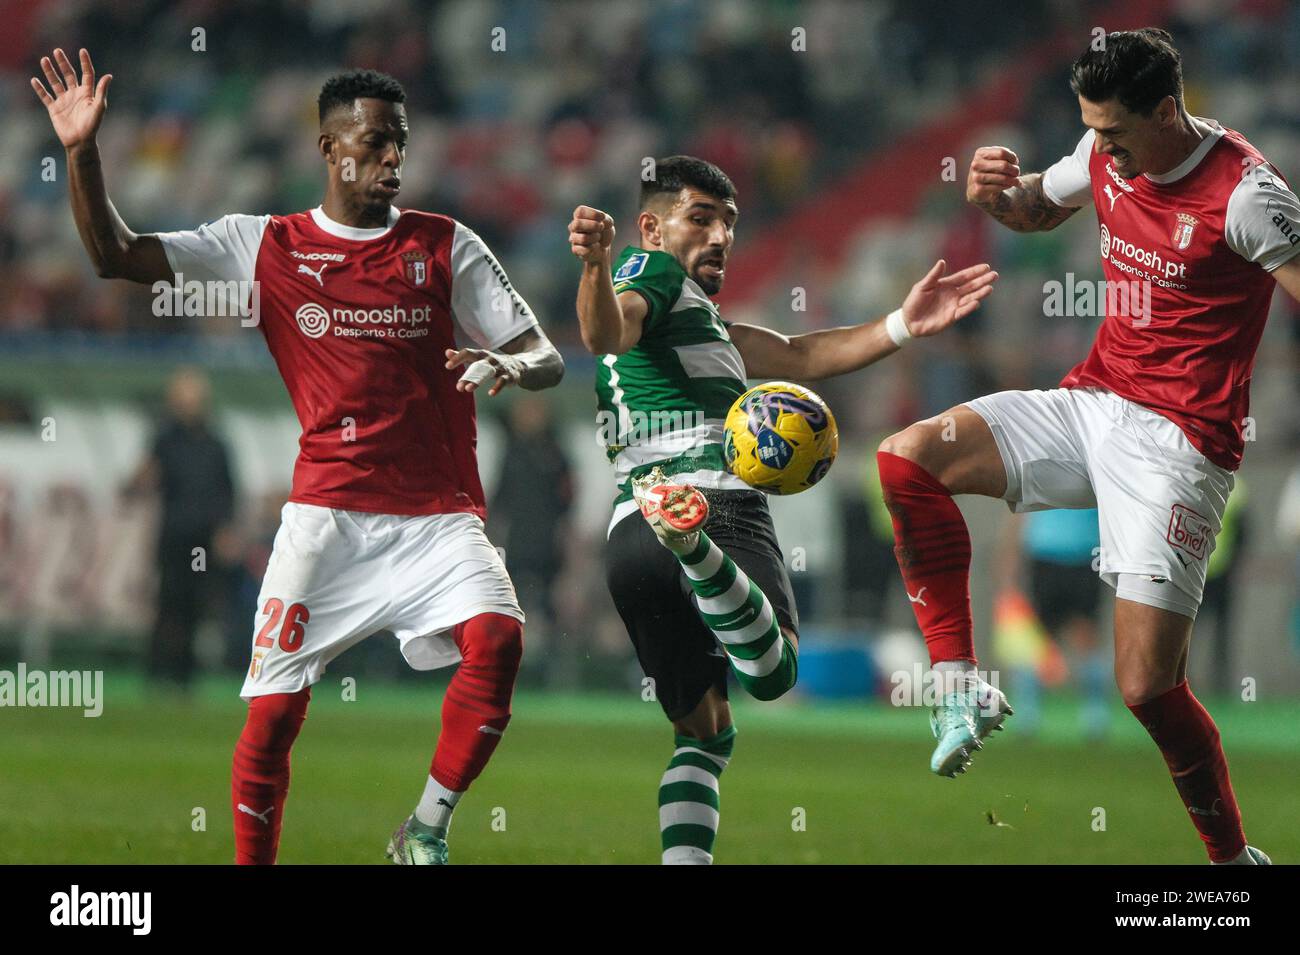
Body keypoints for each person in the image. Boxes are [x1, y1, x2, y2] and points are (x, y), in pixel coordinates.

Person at [34, 51, 564, 865]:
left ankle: (425, 827)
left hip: (437, 517)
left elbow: (545, 355)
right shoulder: (265, 245)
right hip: (326, 518)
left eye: (402, 144)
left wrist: (507, 363)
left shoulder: (444, 245)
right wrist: (81, 151)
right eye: (377, 142)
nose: (394, 158)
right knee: (274, 718)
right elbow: (117, 255)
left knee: (498, 641)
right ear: (328, 147)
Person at [877, 28, 1300, 864]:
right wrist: (995, 192)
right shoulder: (1106, 150)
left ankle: (1234, 863)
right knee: (907, 456)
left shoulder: (1247, 194)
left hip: (1181, 443)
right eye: (1092, 131)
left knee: (1145, 685)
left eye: (1113, 132)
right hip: (1094, 398)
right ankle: (963, 688)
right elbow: (1035, 208)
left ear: (1167, 110)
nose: (1100, 148)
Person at [568, 155, 997, 864]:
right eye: (699, 218)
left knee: (706, 735)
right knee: (775, 673)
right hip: (711, 503)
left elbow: (798, 354)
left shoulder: (697, 323)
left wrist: (901, 324)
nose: (720, 236)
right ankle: (698, 554)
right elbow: (604, 333)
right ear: (650, 226)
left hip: (631, 534)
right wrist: (595, 266)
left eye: (729, 222)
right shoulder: (652, 275)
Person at [124, 368, 235, 689]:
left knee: (195, 606)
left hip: (201, 539)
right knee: (166, 604)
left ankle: (185, 676)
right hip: (173, 535)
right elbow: (147, 476)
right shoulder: (164, 440)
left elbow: (226, 491)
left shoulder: (216, 445)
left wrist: (225, 530)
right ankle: (158, 673)